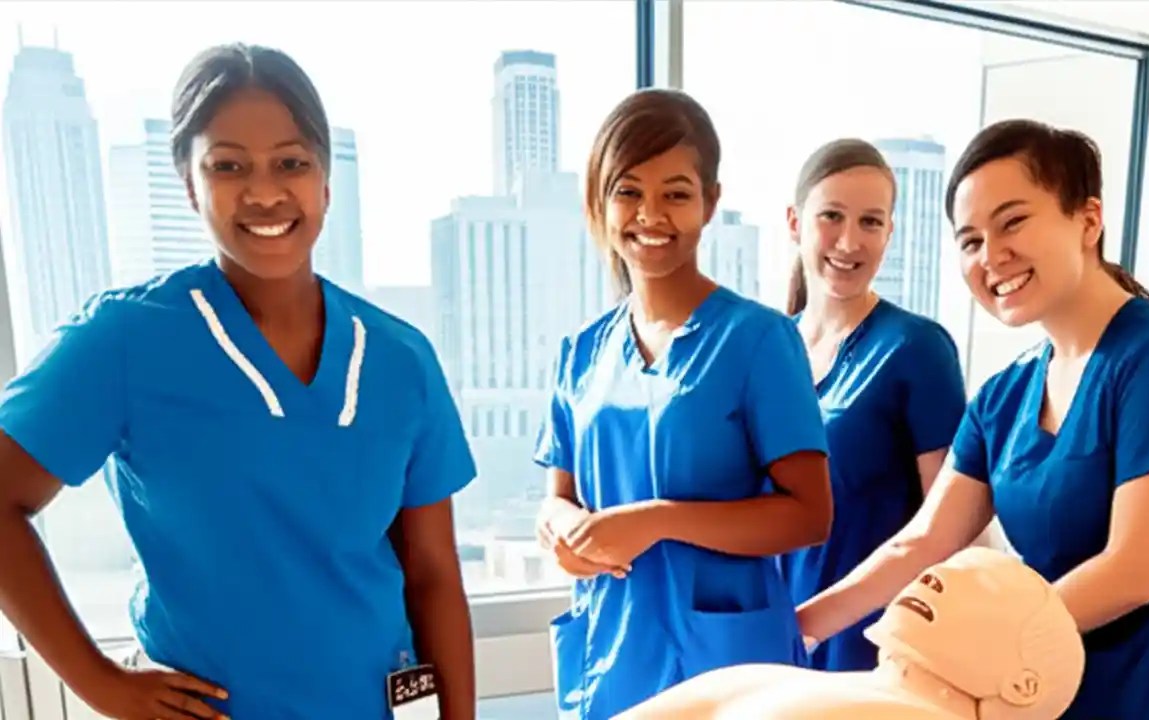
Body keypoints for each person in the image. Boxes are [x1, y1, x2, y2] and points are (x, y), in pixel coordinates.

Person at [0, 43, 477, 720]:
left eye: (291, 162)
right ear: (190, 184)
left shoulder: (401, 361)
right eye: (228, 166)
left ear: (325, 181)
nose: (264, 191)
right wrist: (99, 682)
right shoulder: (128, 341)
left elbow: (432, 574)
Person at [796, 119, 1149, 719]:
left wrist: (967, 649)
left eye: (1012, 222)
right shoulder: (1003, 396)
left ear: (1088, 220)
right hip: (1034, 702)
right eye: (971, 240)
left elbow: (1134, 569)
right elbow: (924, 541)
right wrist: (801, 627)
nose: (992, 255)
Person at [533, 88, 834, 720]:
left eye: (675, 192)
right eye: (627, 191)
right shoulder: (580, 353)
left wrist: (657, 519)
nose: (651, 214)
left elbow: (809, 515)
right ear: (599, 201)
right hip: (611, 651)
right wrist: (561, 529)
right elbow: (558, 494)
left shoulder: (757, 340)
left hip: (729, 663)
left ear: (710, 203)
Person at [780, 139, 966, 672]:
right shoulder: (768, 351)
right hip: (776, 637)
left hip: (876, 651)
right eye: (831, 216)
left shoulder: (916, 350)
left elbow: (950, 531)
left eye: (870, 221)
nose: (849, 240)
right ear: (795, 222)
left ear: (890, 232)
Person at [617, 546, 1085, 720]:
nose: (935, 577)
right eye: (945, 567)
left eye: (984, 587)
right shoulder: (765, 678)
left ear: (1024, 685)